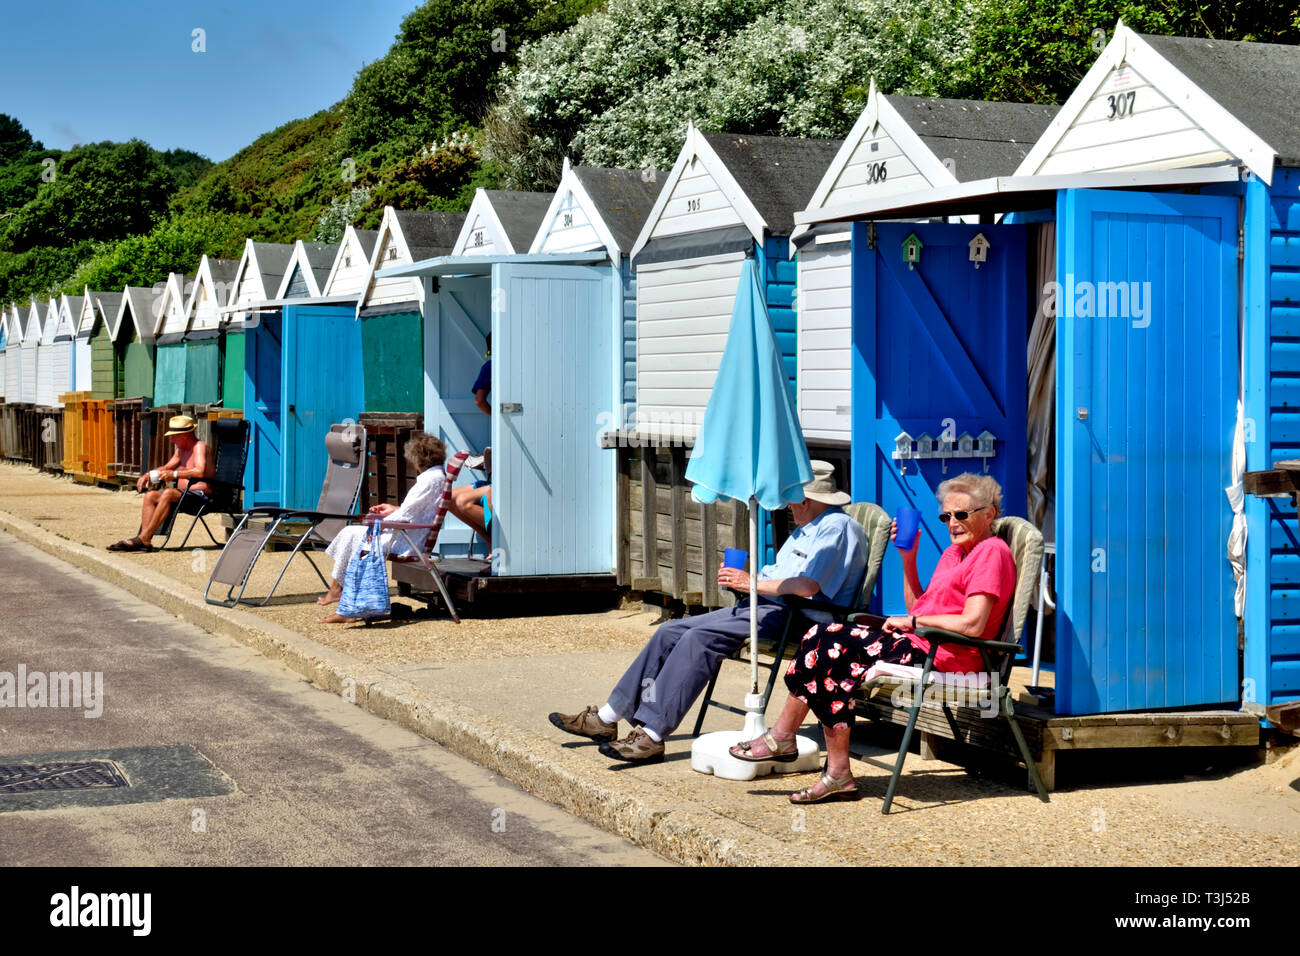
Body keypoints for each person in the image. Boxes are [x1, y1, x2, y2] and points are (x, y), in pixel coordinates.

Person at [549, 461, 868, 764]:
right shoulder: (807, 526)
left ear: (807, 500)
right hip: (768, 608)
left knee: (698, 639)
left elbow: (808, 587)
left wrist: (751, 582)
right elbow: (782, 577)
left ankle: (652, 734)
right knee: (669, 632)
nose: (787, 506)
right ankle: (606, 717)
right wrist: (743, 582)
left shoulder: (836, 527)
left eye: (792, 500)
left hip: (801, 620)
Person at [728, 473, 1016, 804]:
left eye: (961, 515)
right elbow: (918, 605)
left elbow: (973, 624)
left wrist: (912, 622)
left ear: (989, 514)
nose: (952, 523)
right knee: (823, 641)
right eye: (946, 516)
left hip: (949, 656)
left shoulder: (991, 552)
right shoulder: (955, 553)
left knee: (829, 642)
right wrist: (909, 558)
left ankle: (796, 747)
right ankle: (820, 763)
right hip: (923, 643)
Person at [317, 432, 448, 624]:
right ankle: (346, 601)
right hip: (409, 532)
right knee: (354, 538)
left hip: (406, 539)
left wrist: (378, 521)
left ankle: (342, 598)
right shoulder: (436, 477)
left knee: (353, 536)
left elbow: (406, 515)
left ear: (417, 458)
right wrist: (392, 510)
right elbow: (414, 511)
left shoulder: (429, 480)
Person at [108, 414, 214, 552]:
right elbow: (166, 468)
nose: (171, 439)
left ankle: (143, 538)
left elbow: (200, 471)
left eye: (173, 436)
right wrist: (147, 475)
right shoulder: (181, 450)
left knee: (168, 493)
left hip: (201, 496)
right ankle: (144, 539)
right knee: (151, 495)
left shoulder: (199, 447)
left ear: (185, 435)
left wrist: (175, 474)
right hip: (184, 496)